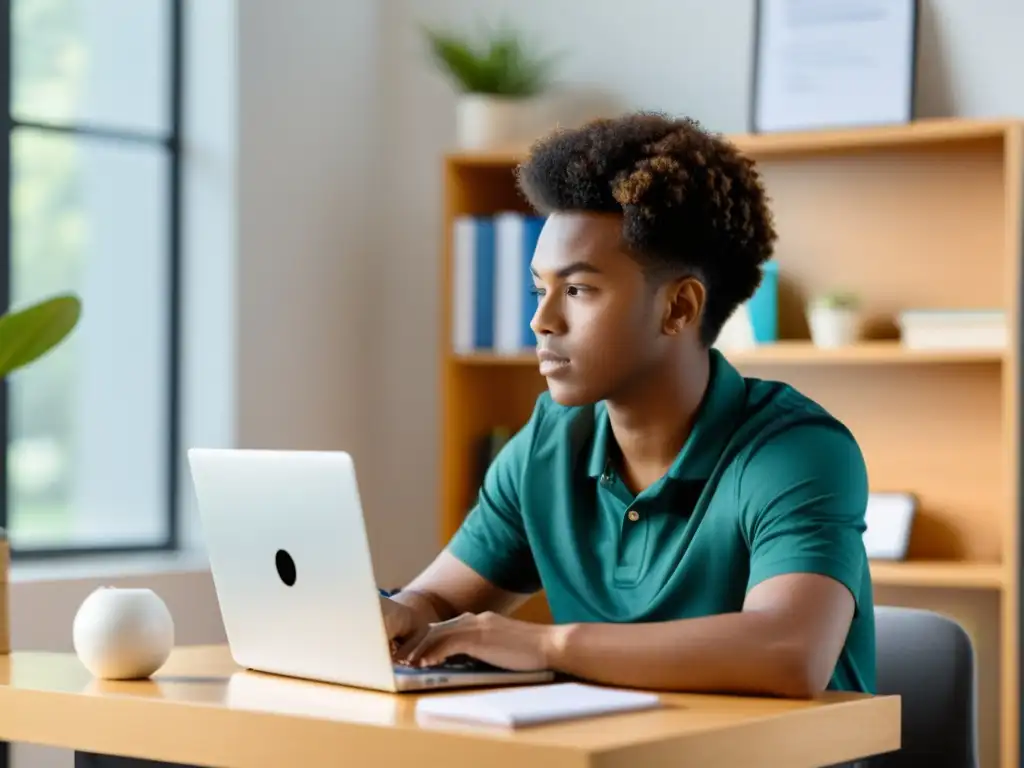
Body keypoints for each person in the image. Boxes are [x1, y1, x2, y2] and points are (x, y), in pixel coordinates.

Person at [385, 112, 875, 698]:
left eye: (578, 290)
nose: (541, 321)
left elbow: (789, 652)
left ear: (678, 309)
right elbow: (438, 598)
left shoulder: (796, 452)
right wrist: (404, 612)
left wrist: (544, 645)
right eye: (541, 290)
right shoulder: (547, 445)